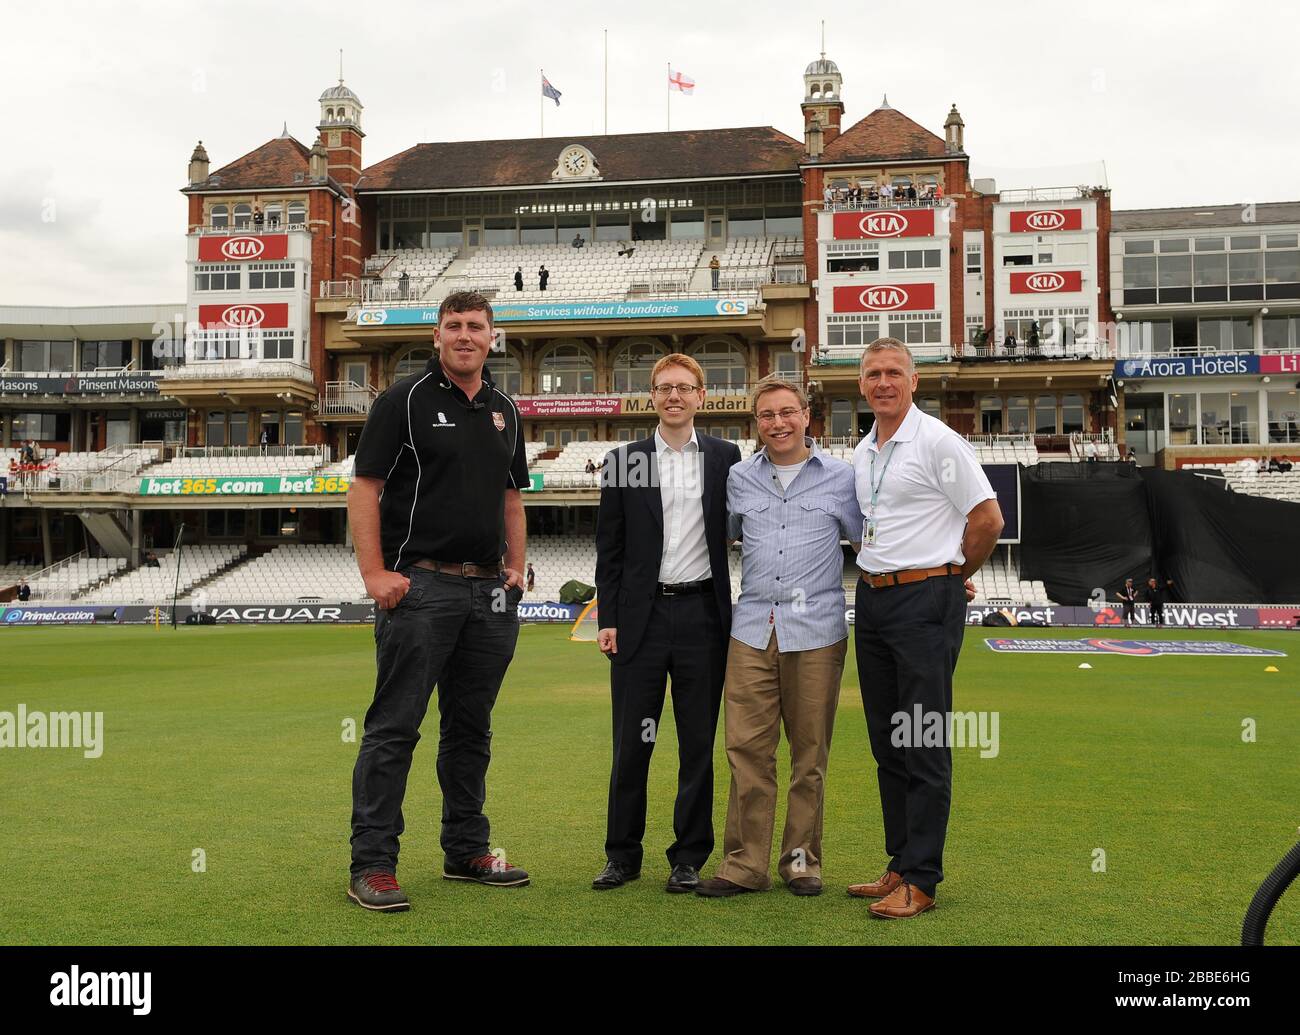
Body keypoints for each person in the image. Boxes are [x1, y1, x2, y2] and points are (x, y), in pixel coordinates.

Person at [346, 289, 531, 912]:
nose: (465, 336)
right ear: (437, 335)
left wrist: (517, 566)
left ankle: (466, 849)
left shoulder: (506, 408)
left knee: (471, 729)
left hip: (489, 592)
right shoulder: (402, 401)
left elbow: (512, 496)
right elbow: (365, 487)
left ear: (491, 336)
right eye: (453, 325)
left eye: (476, 326)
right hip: (420, 586)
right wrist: (374, 572)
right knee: (395, 728)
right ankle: (372, 864)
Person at [847, 338, 1003, 919]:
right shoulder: (864, 450)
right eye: (873, 374)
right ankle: (899, 863)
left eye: (894, 373)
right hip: (874, 598)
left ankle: (923, 878)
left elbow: (988, 519)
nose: (883, 382)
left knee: (924, 740)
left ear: (914, 381)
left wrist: (952, 573)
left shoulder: (938, 440)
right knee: (889, 743)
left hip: (924, 600)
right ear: (861, 385)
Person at [694, 378, 863, 899]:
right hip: (750, 630)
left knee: (808, 755)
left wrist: (950, 569)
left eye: (787, 412)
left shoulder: (843, 478)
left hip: (817, 633)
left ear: (806, 416)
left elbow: (873, 540)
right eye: (767, 415)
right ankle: (744, 865)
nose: (778, 423)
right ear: (756, 423)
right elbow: (710, 536)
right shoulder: (739, 478)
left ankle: (800, 863)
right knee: (746, 751)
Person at [592, 353, 741, 894]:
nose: (673, 396)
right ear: (651, 397)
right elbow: (609, 549)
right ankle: (622, 855)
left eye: (684, 387)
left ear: (702, 395)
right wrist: (607, 618)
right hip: (640, 620)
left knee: (696, 745)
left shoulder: (727, 456)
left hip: (703, 615)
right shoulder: (625, 459)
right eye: (663, 388)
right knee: (632, 742)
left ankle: (688, 858)